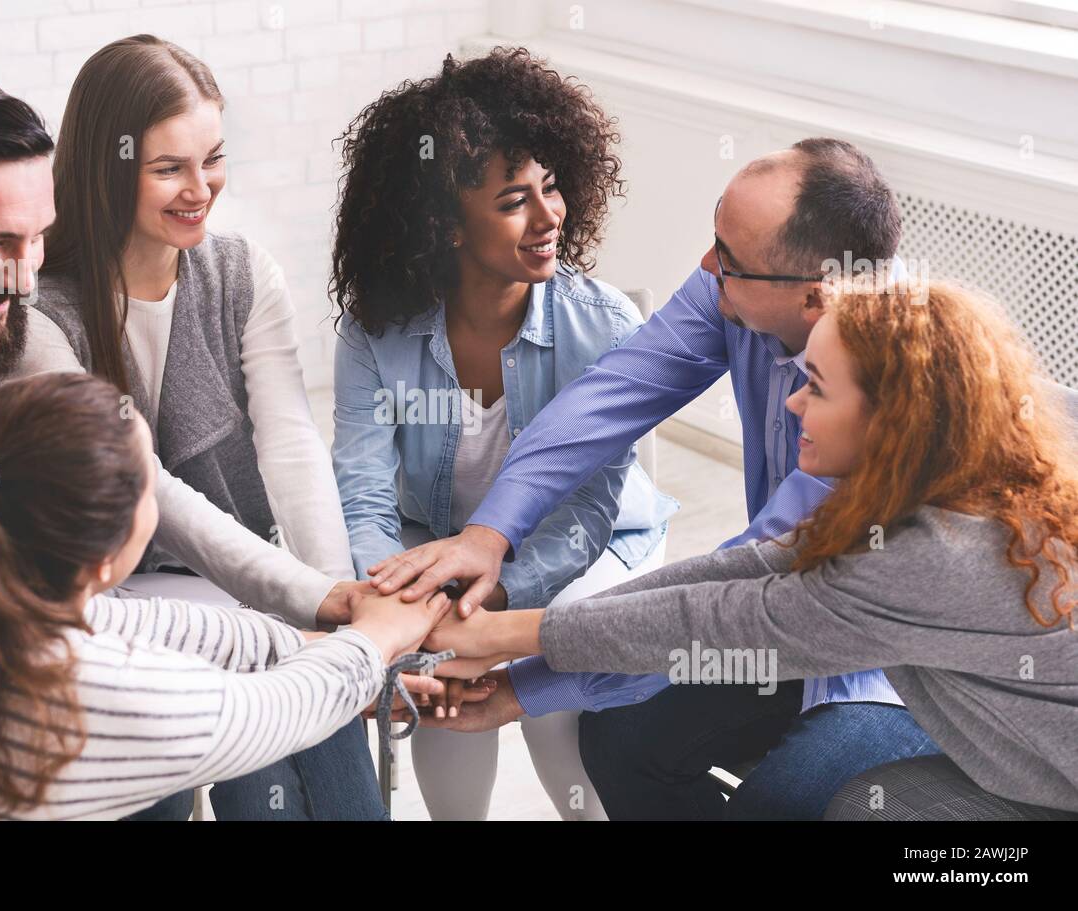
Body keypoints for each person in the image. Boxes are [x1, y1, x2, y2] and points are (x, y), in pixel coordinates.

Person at [0, 73, 366, 821]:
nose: (25, 278)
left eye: (38, 238)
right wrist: (348, 652)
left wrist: (310, 620)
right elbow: (125, 662)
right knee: (231, 736)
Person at [367, 137, 940, 818]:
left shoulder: (897, 393)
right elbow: (612, 395)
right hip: (775, 628)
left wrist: (511, 659)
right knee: (619, 736)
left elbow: (730, 593)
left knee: (778, 804)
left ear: (814, 295)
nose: (705, 265)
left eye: (726, 259)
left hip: (902, 672)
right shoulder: (747, 285)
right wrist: (489, 534)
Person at [418, 280, 1078, 820]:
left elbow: (728, 624)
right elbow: (742, 571)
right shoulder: (926, 487)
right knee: (631, 735)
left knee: (860, 811)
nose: (793, 400)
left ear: (890, 419)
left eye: (816, 385)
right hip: (1021, 765)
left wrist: (489, 633)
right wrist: (503, 663)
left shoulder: (933, 553)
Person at [0, 372, 458, 820]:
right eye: (149, 483)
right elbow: (273, 709)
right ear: (109, 553)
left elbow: (132, 621)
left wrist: (320, 635)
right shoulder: (86, 692)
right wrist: (374, 642)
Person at [10, 35, 388, 820]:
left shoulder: (243, 272)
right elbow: (156, 494)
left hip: (238, 579)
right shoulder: (41, 316)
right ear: (108, 167)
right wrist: (317, 605)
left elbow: (289, 445)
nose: (200, 188)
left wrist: (341, 601)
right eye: (168, 168)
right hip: (110, 598)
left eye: (212, 158)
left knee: (316, 731)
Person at [330, 47, 676, 820]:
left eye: (552, 186)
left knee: (549, 692)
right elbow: (362, 497)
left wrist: (496, 608)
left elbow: (586, 512)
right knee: (442, 678)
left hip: (601, 545)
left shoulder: (602, 327)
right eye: (516, 198)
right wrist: (403, 609)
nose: (551, 216)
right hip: (442, 542)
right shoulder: (374, 334)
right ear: (445, 226)